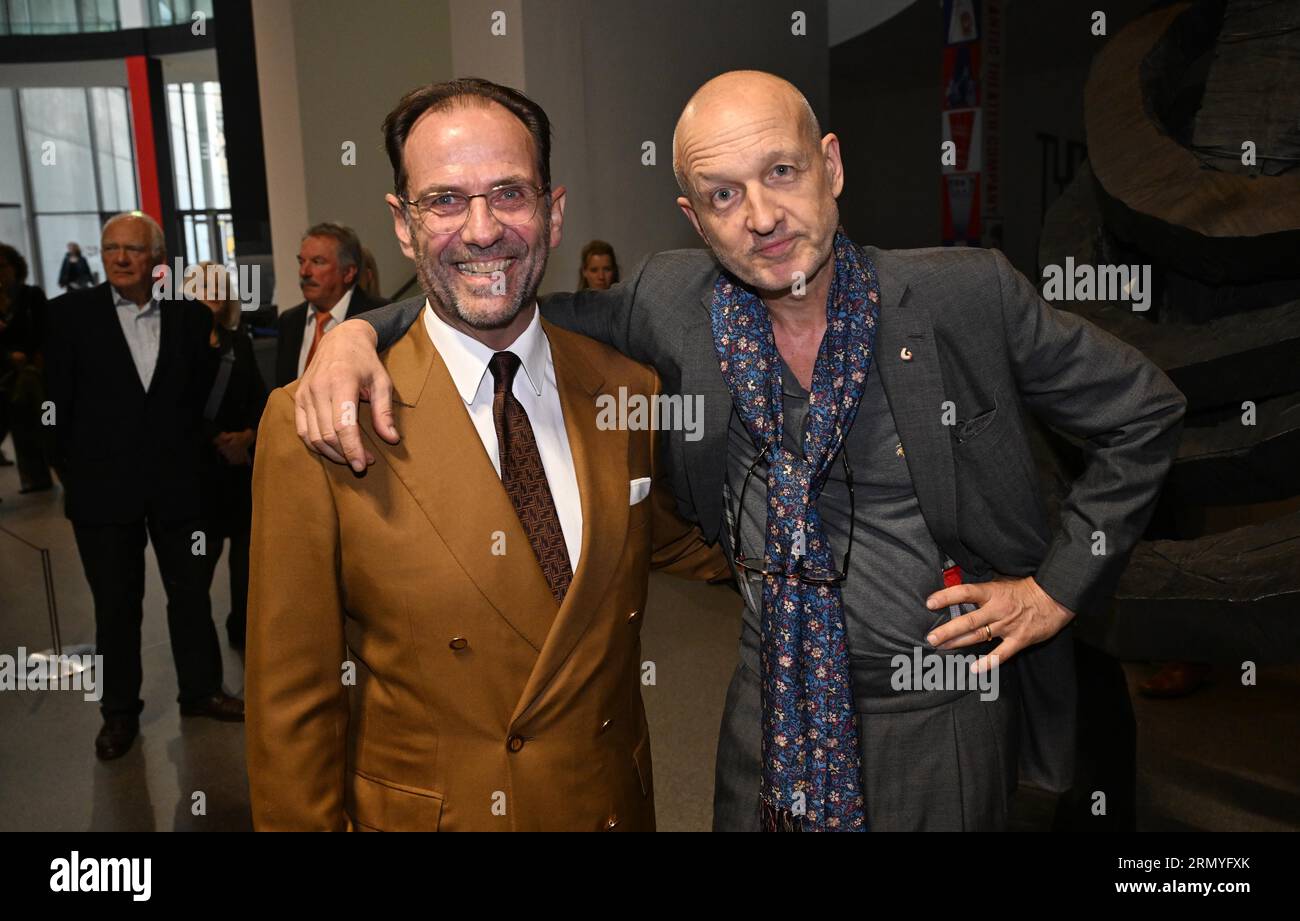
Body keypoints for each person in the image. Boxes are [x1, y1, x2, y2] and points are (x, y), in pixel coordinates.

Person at [294, 71, 1186, 831]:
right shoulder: (672, 303)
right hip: (767, 713)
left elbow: (1144, 410)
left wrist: (1057, 588)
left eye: (783, 172)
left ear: (830, 167)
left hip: (940, 710)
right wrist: (355, 333)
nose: (761, 216)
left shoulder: (962, 297)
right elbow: (500, 303)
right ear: (693, 214)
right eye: (723, 194)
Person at [245, 78, 728, 831]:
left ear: (553, 211)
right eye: (443, 201)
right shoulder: (318, 424)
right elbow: (290, 709)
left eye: (509, 193)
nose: (480, 230)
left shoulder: (625, 391)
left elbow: (692, 538)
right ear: (402, 226)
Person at [45, 213, 244, 761]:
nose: (120, 258)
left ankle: (201, 690)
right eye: (111, 248)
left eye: (132, 249)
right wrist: (70, 472)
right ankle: (118, 712)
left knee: (190, 594)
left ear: (158, 259)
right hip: (103, 495)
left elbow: (200, 400)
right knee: (114, 604)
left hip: (179, 488)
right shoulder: (68, 316)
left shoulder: (187, 319)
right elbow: (53, 406)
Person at [188, 261, 268, 650]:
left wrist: (248, 436)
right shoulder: (178, 349)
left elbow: (260, 397)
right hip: (197, 475)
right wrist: (221, 441)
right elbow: (175, 408)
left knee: (247, 564)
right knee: (196, 572)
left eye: (217, 290)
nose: (209, 297)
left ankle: (245, 632)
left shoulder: (239, 343)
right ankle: (200, 662)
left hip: (239, 472)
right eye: (201, 288)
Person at [273, 222, 386, 388]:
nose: (304, 272)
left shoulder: (378, 316)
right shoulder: (289, 321)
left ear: (348, 272)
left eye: (317, 262)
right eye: (301, 261)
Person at [0, 242, 51, 487]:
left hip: (32, 371)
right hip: (5, 372)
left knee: (41, 422)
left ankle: (47, 473)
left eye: (3, 266)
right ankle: (32, 478)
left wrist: (28, 356)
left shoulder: (31, 296)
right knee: (20, 423)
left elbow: (44, 330)